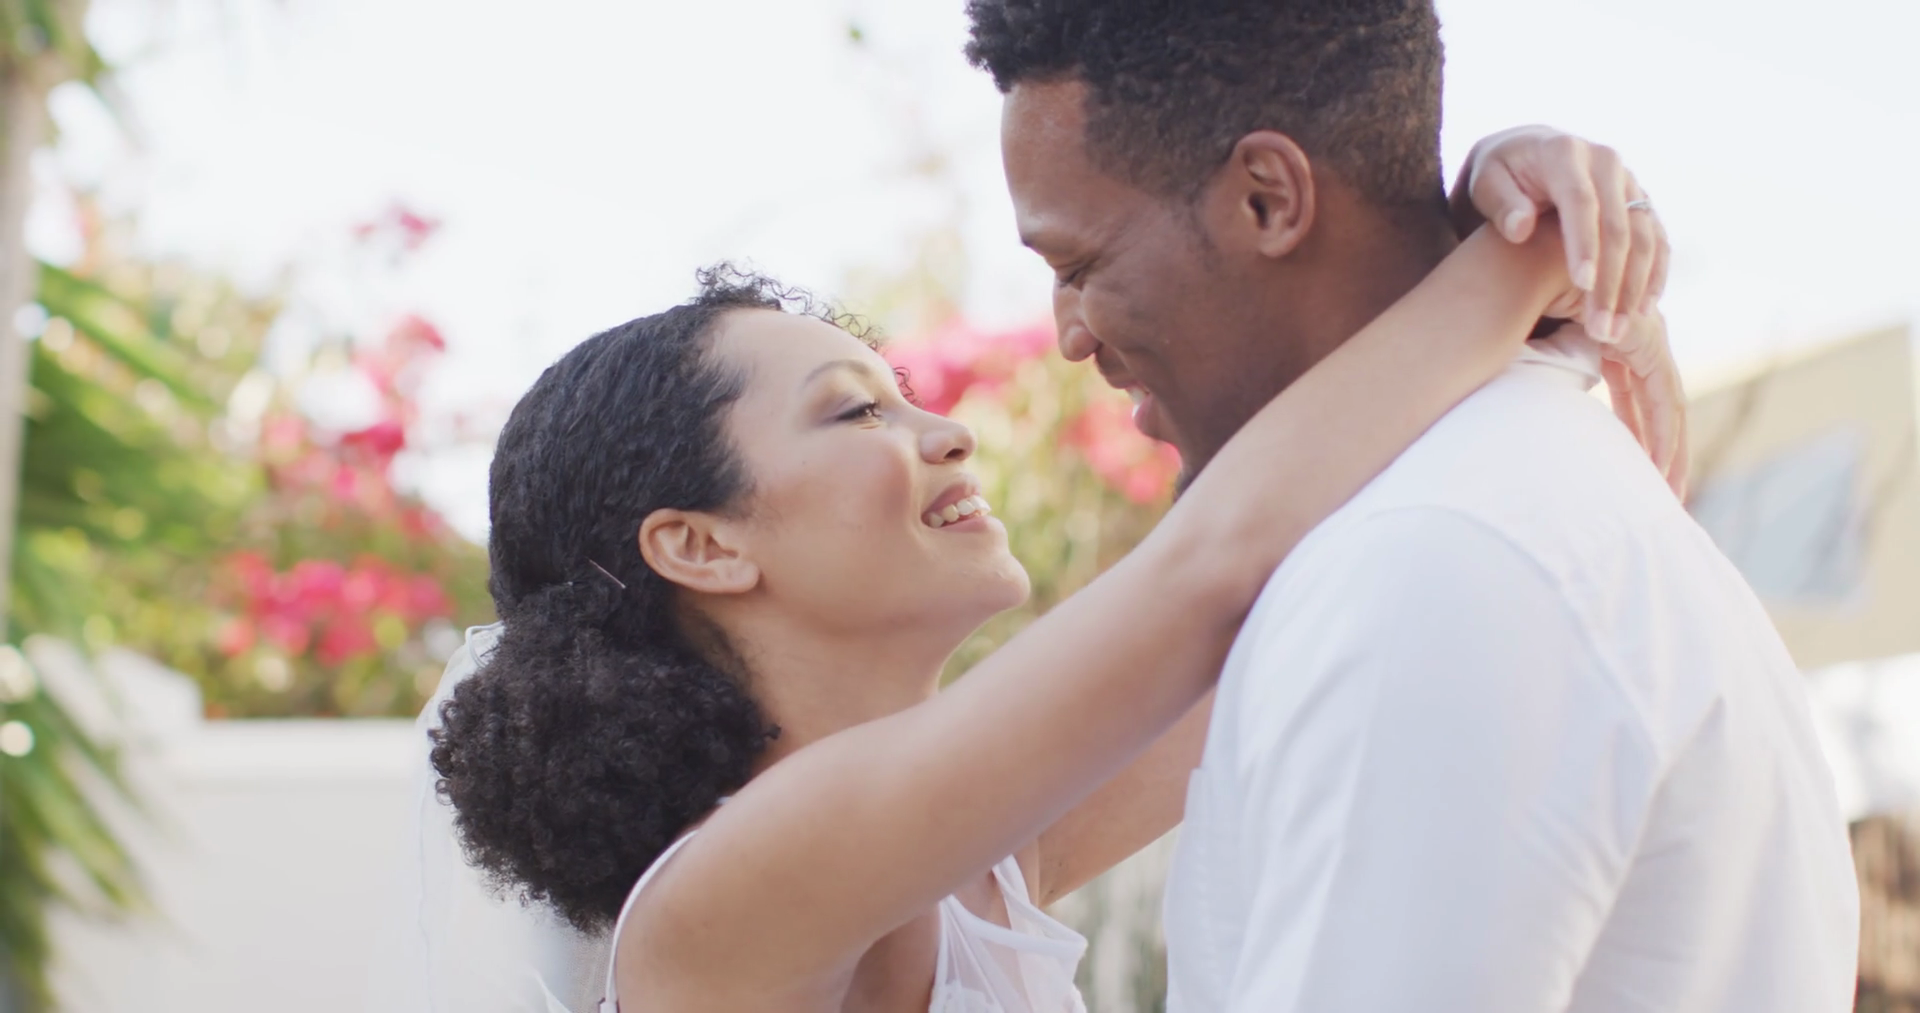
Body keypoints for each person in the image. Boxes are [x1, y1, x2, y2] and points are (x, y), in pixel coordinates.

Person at [411, 160, 1674, 1013]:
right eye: (856, 411)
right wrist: (1534, 254)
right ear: (699, 545)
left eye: (909, 392)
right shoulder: (723, 896)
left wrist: (1500, 198)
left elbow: (1285, 558)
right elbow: (1218, 566)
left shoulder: (984, 859)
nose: (946, 428)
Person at [963, 1, 1860, 1011]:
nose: (1069, 335)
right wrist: (1517, 256)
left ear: (1268, 198)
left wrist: (1522, 256)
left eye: (1081, 267)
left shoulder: (1427, 566)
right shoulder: (1457, 521)